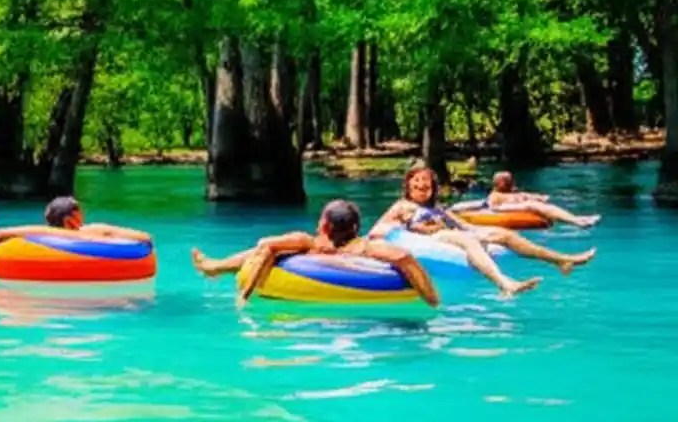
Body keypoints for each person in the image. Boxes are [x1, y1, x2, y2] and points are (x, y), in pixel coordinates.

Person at [373, 168, 596, 296]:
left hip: (449, 233)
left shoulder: (436, 208)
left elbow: (463, 225)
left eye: (427, 183)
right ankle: (504, 283)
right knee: (469, 241)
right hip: (431, 238)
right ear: (409, 185)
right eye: (417, 182)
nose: (422, 186)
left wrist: (484, 231)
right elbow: (377, 229)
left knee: (504, 235)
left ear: (432, 187)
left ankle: (562, 261)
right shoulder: (402, 206)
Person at [190, 199, 440, 308]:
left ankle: (214, 268)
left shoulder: (307, 243)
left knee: (272, 249)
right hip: (363, 303)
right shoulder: (366, 247)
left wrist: (244, 296)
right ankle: (215, 267)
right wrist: (432, 301)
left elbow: (265, 248)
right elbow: (403, 258)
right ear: (355, 227)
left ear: (324, 225)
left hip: (310, 289)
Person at [0, 196, 150, 267]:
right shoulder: (93, 231)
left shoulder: (43, 234)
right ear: (70, 220)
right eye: (80, 214)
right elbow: (145, 238)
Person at [483, 171, 601, 228]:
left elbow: (520, 195)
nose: (511, 184)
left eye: (510, 181)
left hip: (506, 208)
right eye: (508, 181)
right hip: (497, 210)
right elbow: (492, 205)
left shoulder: (508, 192)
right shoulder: (495, 194)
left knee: (542, 206)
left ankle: (576, 219)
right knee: (531, 205)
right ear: (501, 183)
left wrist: (536, 197)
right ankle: (577, 222)